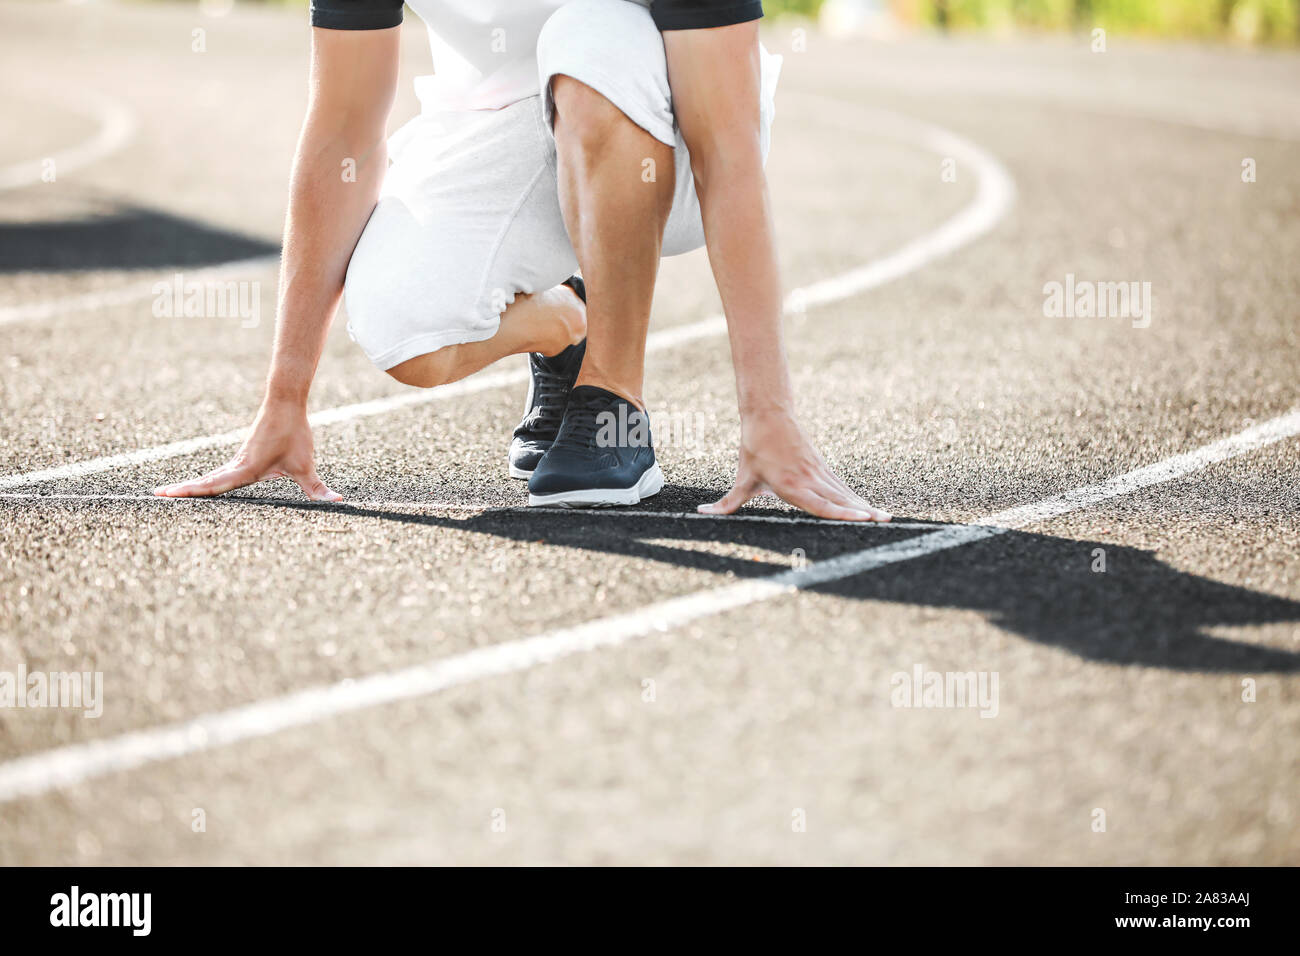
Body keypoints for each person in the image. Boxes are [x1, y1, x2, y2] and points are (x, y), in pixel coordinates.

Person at [155, 0, 890, 523]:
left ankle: (614, 402)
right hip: (505, 124)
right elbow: (344, 130)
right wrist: (286, 398)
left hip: (672, 132)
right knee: (401, 328)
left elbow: (727, 151)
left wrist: (769, 414)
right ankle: (561, 323)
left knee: (587, 33)